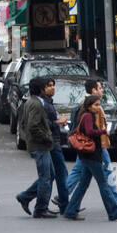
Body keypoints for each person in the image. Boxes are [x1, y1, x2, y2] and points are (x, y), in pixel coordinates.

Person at [65, 79, 117, 213]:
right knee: (104, 178)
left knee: (82, 180)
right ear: (93, 91)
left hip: (91, 149)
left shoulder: (90, 107)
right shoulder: (89, 112)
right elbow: (90, 131)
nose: (102, 91)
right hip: (92, 149)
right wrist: (103, 132)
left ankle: (68, 205)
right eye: (100, 88)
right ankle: (114, 207)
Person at [16, 77, 59, 218]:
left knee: (49, 175)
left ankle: (25, 197)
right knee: (45, 178)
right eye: (45, 87)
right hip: (40, 146)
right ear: (41, 90)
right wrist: (47, 138)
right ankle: (40, 209)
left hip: (38, 144)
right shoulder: (35, 104)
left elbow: (22, 123)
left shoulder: (31, 102)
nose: (48, 89)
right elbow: (32, 126)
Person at [38, 77, 71, 214]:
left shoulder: (49, 103)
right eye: (49, 86)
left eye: (53, 85)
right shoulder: (44, 105)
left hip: (54, 142)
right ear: (42, 89)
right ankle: (65, 205)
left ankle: (26, 197)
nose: (52, 88)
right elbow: (44, 125)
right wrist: (58, 122)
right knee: (60, 175)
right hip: (51, 144)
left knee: (53, 175)